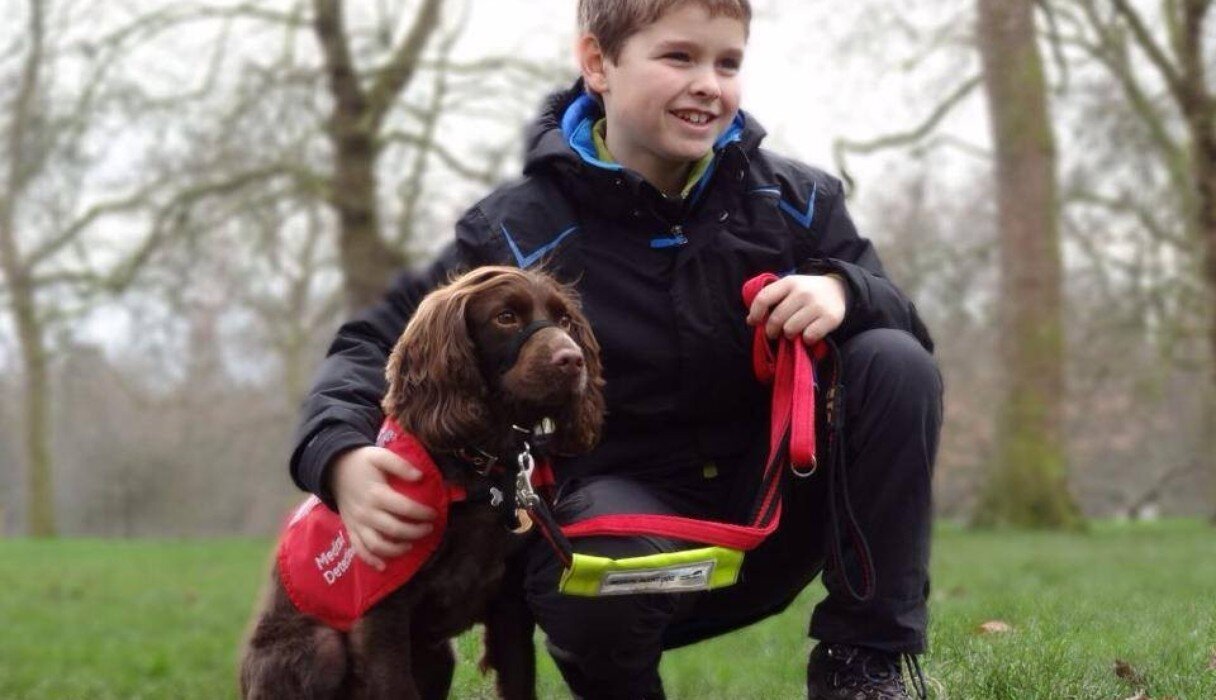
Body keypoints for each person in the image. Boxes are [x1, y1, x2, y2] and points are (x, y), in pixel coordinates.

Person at [289, 1, 943, 698]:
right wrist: (339, 454)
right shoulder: (511, 232)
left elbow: (904, 326)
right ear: (598, 63)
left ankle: (863, 666)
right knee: (592, 569)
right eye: (679, 57)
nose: (709, 84)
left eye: (728, 63)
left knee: (894, 359)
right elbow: (373, 342)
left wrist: (844, 290)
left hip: (776, 520)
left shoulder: (796, 201)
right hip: (621, 547)